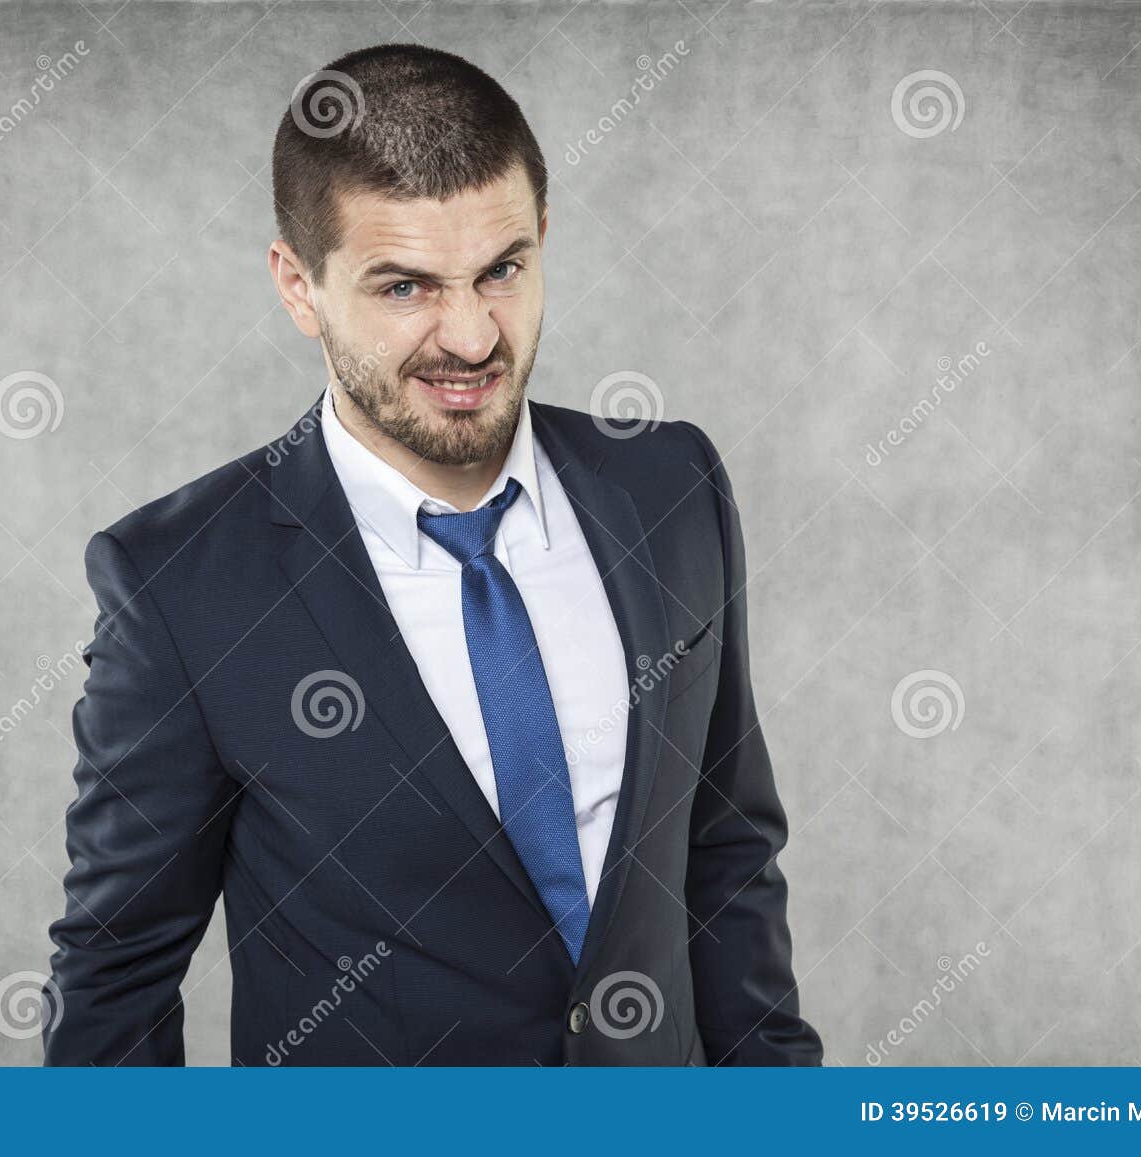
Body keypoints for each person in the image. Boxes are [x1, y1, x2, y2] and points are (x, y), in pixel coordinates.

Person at [43, 42, 821, 1067]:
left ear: (543, 236)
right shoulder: (183, 585)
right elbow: (116, 973)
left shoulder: (669, 488)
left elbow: (725, 856)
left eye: (501, 270)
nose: (468, 337)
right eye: (405, 286)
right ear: (298, 285)